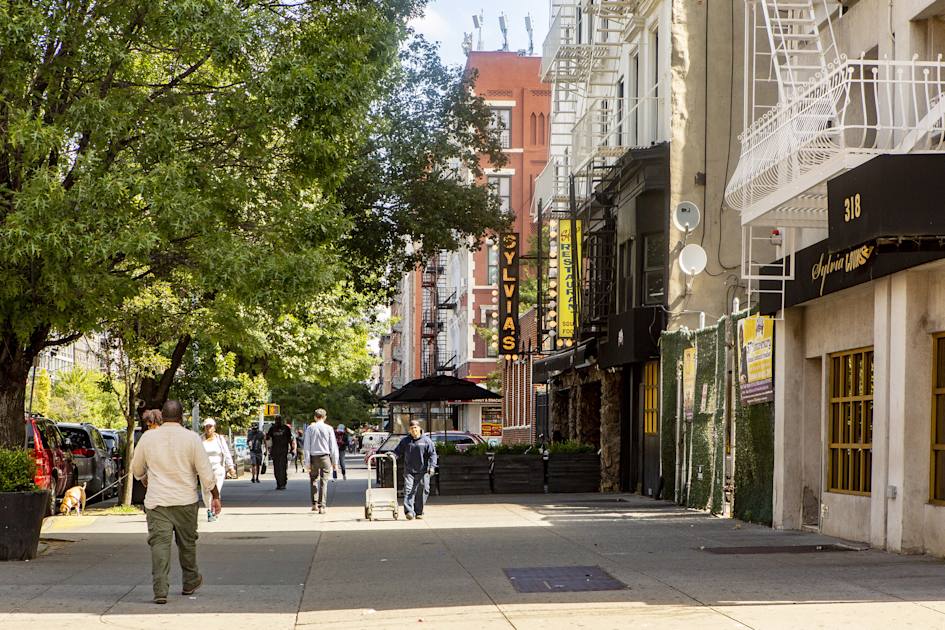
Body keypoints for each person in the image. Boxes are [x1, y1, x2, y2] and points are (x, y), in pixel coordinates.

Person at [131, 400, 220, 605]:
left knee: (159, 546)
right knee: (187, 544)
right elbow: (205, 472)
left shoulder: (148, 437)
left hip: (157, 502)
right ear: (182, 417)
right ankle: (190, 581)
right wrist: (214, 495)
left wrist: (144, 476)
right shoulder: (191, 439)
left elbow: (136, 470)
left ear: (162, 416)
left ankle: (160, 590)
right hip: (185, 501)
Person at [393, 420, 437, 520]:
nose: (414, 430)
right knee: (408, 490)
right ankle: (409, 511)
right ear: (409, 430)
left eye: (415, 428)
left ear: (419, 428)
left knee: (423, 491)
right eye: (412, 428)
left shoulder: (427, 441)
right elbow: (398, 451)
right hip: (409, 471)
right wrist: (392, 455)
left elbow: (432, 455)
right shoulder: (406, 441)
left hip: (423, 471)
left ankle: (419, 512)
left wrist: (432, 467)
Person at [303, 409, 338, 513]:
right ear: (325, 417)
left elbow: (307, 446)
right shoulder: (329, 428)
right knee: (324, 481)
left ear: (315, 417)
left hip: (314, 457)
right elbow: (333, 446)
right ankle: (322, 505)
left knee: (313, 480)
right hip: (325, 457)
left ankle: (314, 504)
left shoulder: (310, 428)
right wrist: (335, 462)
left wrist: (307, 462)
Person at [200, 419, 235, 522]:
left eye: (210, 426)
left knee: (216, 491)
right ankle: (209, 509)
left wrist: (231, 467)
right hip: (204, 469)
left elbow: (226, 453)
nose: (208, 429)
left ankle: (213, 511)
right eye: (206, 426)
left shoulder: (219, 439)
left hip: (218, 468)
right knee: (206, 492)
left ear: (214, 427)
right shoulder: (200, 439)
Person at [266, 415, 294, 490]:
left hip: (283, 450)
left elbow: (290, 439)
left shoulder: (286, 428)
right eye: (277, 420)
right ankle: (279, 483)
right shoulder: (272, 428)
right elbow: (268, 438)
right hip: (275, 451)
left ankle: (283, 483)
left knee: (282, 467)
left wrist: (291, 448)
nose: (278, 421)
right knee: (277, 468)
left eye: (279, 420)